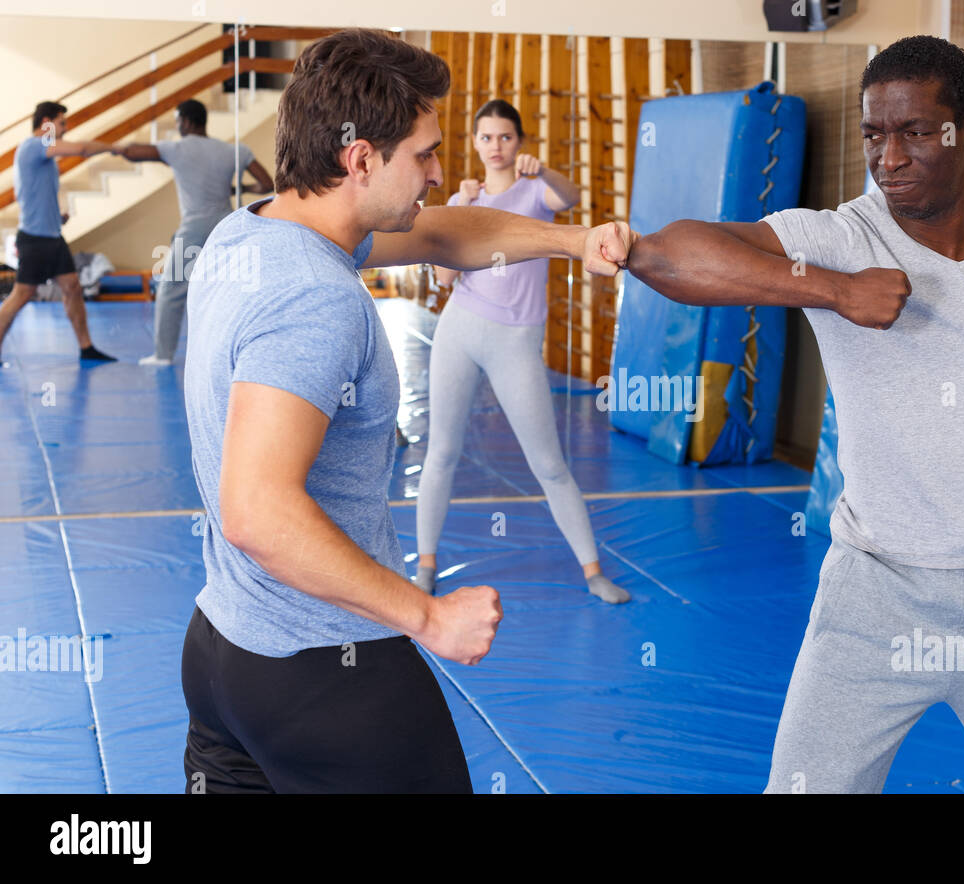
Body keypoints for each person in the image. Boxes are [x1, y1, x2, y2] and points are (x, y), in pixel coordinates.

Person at [626, 35, 964, 793]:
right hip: (875, 596)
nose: (889, 158)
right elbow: (665, 257)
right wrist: (834, 291)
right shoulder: (840, 238)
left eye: (913, 133)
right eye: (874, 135)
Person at [180, 28, 632, 793]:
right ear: (360, 159)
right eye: (422, 154)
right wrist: (428, 618)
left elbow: (444, 232)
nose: (439, 171)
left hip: (224, 656)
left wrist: (572, 238)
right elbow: (255, 511)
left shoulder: (251, 229)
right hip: (329, 672)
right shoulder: (317, 298)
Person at [414, 99, 628, 604]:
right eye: (485, 137)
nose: (495, 147)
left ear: (519, 142)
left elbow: (572, 198)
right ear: (474, 143)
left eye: (505, 138)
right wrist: (456, 213)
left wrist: (545, 168)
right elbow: (444, 279)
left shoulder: (537, 191)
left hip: (516, 343)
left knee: (549, 464)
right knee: (441, 452)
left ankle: (593, 571)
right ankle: (425, 564)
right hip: (460, 330)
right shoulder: (464, 202)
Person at [117, 99, 275, 366]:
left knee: (170, 290)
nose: (178, 126)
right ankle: (242, 350)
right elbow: (266, 184)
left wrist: (112, 149)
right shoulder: (232, 151)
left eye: (178, 120)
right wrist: (238, 189)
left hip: (194, 229)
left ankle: (163, 355)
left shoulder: (178, 148)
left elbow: (133, 152)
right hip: (226, 228)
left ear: (187, 122)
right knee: (232, 289)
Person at [0, 101, 117, 364]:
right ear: (46, 123)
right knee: (22, 294)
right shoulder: (32, 146)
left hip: (52, 236)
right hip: (35, 239)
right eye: (61, 123)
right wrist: (114, 147)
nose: (64, 129)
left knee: (73, 287)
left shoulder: (45, 158)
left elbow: (32, 195)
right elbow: (83, 149)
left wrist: (57, 217)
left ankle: (86, 347)